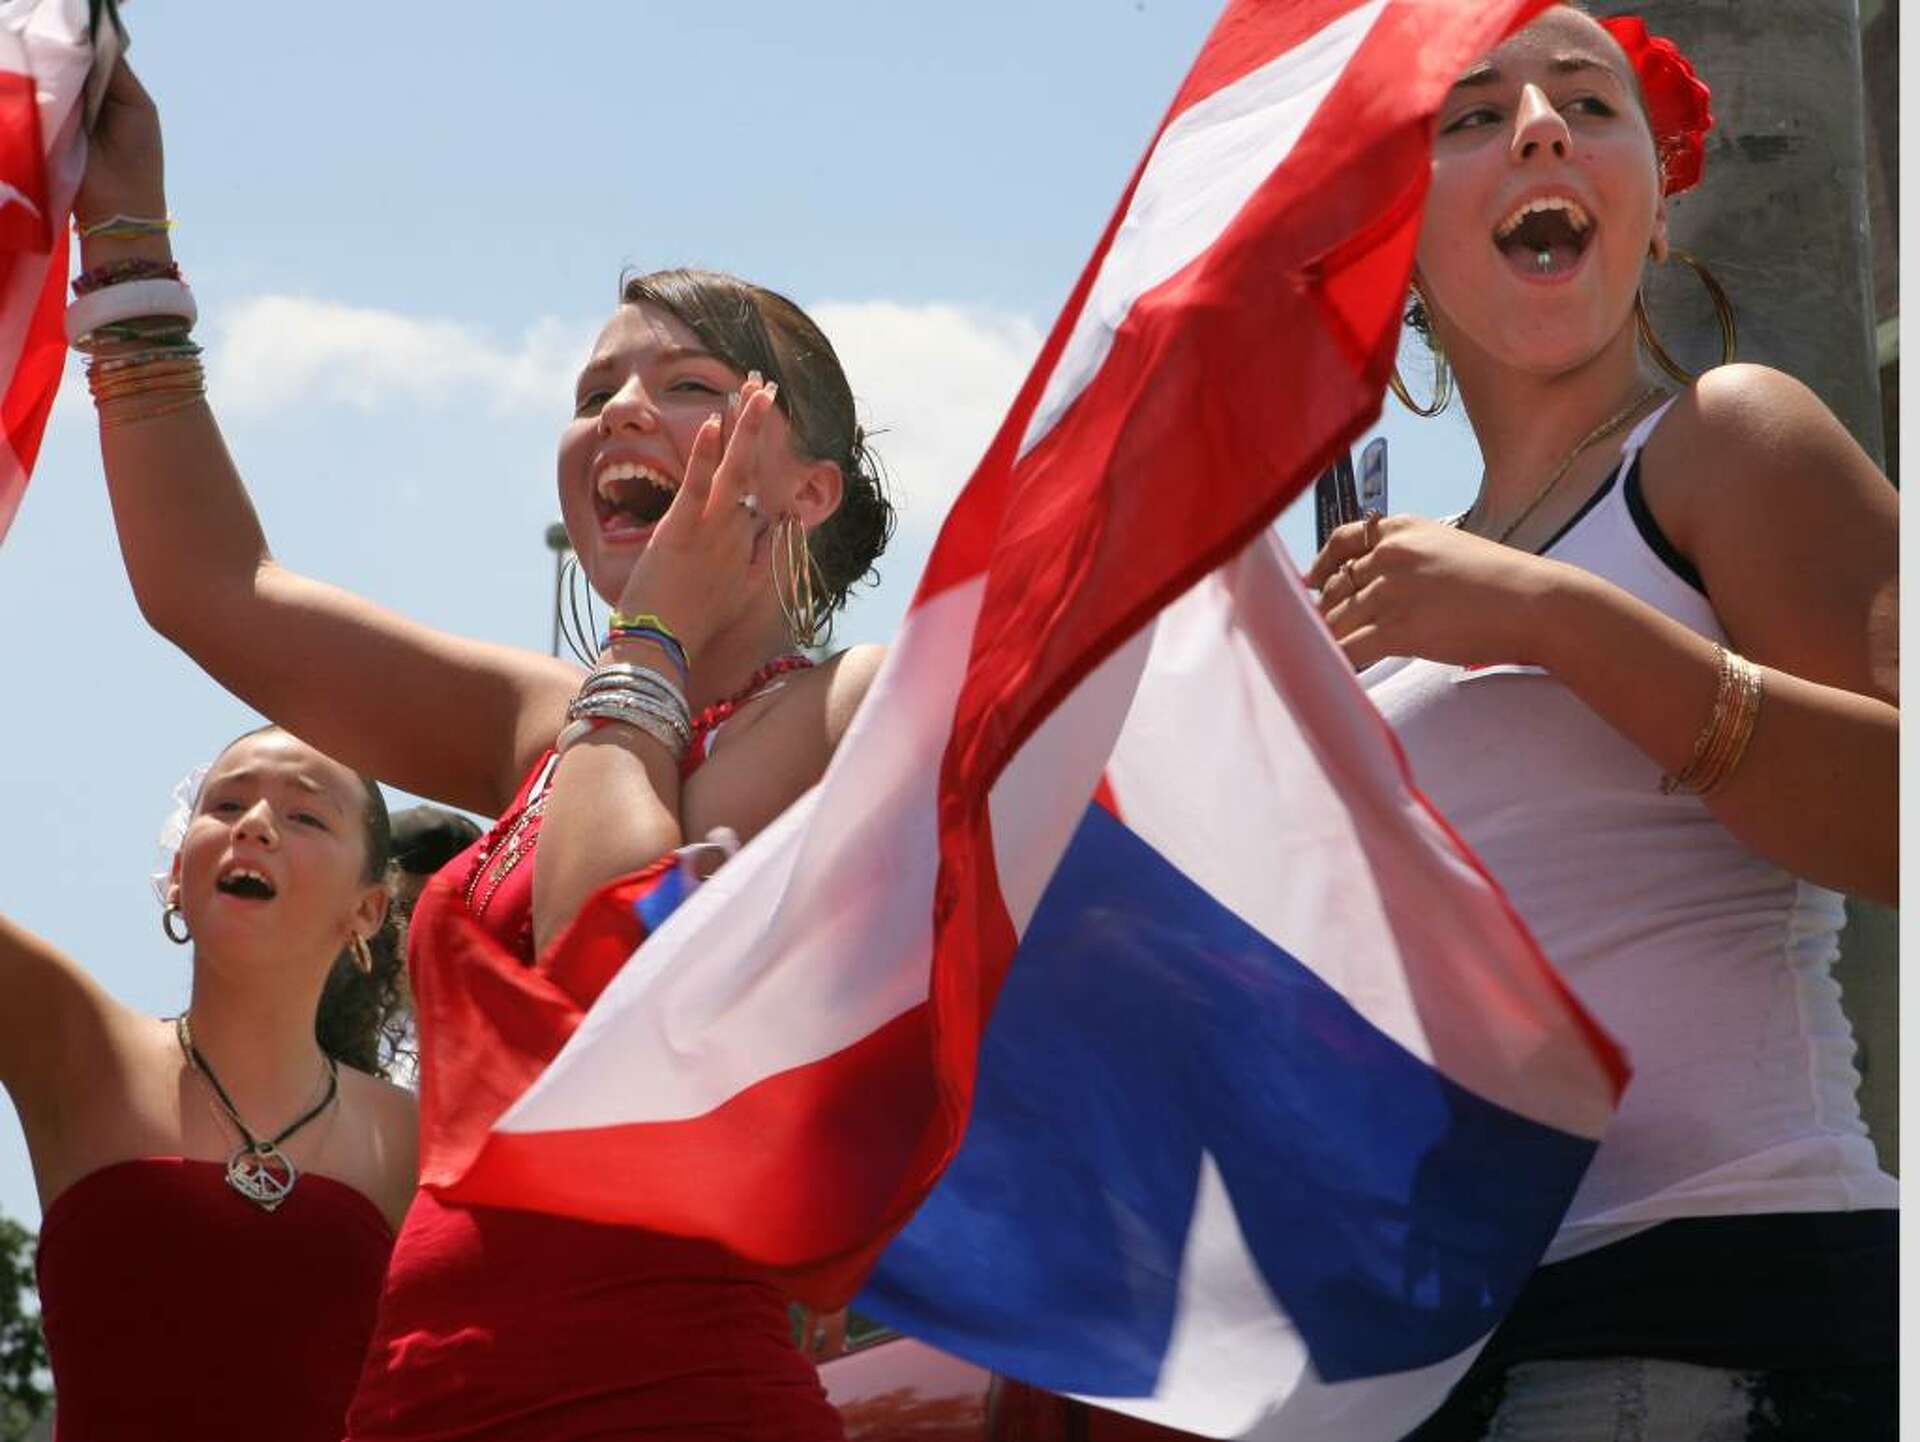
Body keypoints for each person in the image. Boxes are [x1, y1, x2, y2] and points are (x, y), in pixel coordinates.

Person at [76, 57, 891, 1441]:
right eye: (593, 392)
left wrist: (649, 642)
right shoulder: (541, 720)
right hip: (425, 1401)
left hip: (680, 1403)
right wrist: (126, 237)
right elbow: (210, 587)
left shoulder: (855, 708)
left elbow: (600, 944)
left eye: (686, 383)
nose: (619, 413)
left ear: (808, 488)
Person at [1306, 8, 1897, 1439]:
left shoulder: (1728, 436)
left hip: (1716, 1300)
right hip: (1444, 1345)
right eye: (1472, 114)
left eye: (1589, 100)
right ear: (1399, 223)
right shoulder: (1389, 591)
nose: (1543, 127)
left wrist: (1550, 618)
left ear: (1654, 186)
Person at [0, 725, 418, 1442]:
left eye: (305, 815)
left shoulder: (416, 1138)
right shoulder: (77, 1048)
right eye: (225, 806)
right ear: (175, 872)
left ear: (368, 909)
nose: (254, 826)